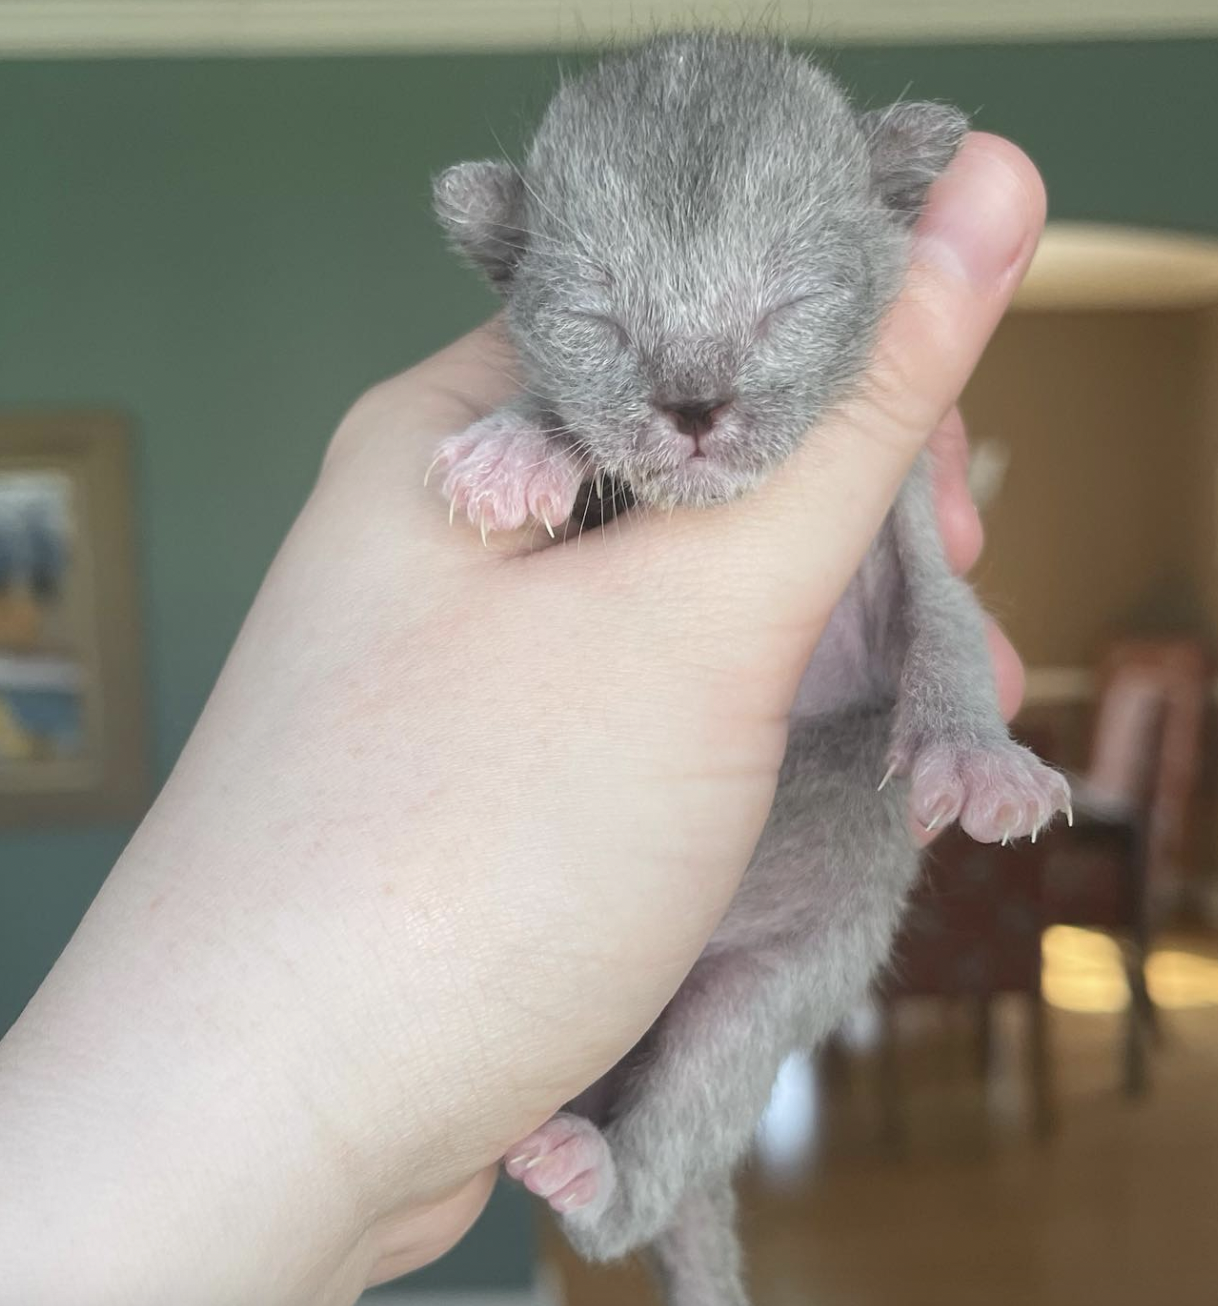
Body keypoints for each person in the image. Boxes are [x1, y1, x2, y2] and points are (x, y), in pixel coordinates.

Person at [0, 133, 1044, 1304]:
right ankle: (637, 1179)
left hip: (807, 863)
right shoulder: (581, 424)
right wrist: (542, 429)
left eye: (785, 305)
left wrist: (966, 734)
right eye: (603, 330)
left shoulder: (877, 443)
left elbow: (931, 609)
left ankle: (641, 1181)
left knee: (765, 983)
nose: (699, 400)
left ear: (884, 233)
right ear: (512, 268)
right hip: (613, 850)